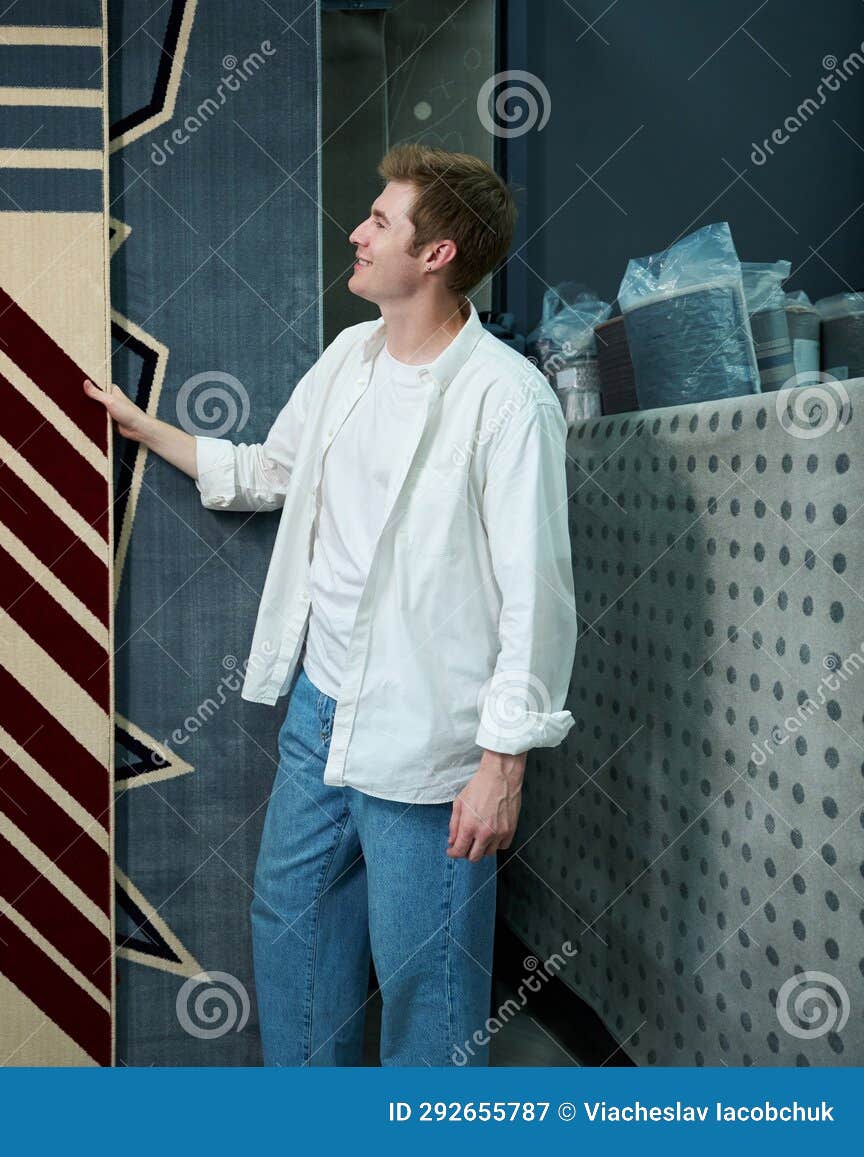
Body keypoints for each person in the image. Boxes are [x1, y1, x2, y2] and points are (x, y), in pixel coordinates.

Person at [83, 143, 577, 1066]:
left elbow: (537, 599)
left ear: (436, 255)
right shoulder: (350, 355)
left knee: (426, 968)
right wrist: (145, 428)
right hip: (323, 708)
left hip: (430, 732)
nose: (357, 231)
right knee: (291, 918)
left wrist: (500, 763)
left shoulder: (509, 402)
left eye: (381, 220)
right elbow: (278, 468)